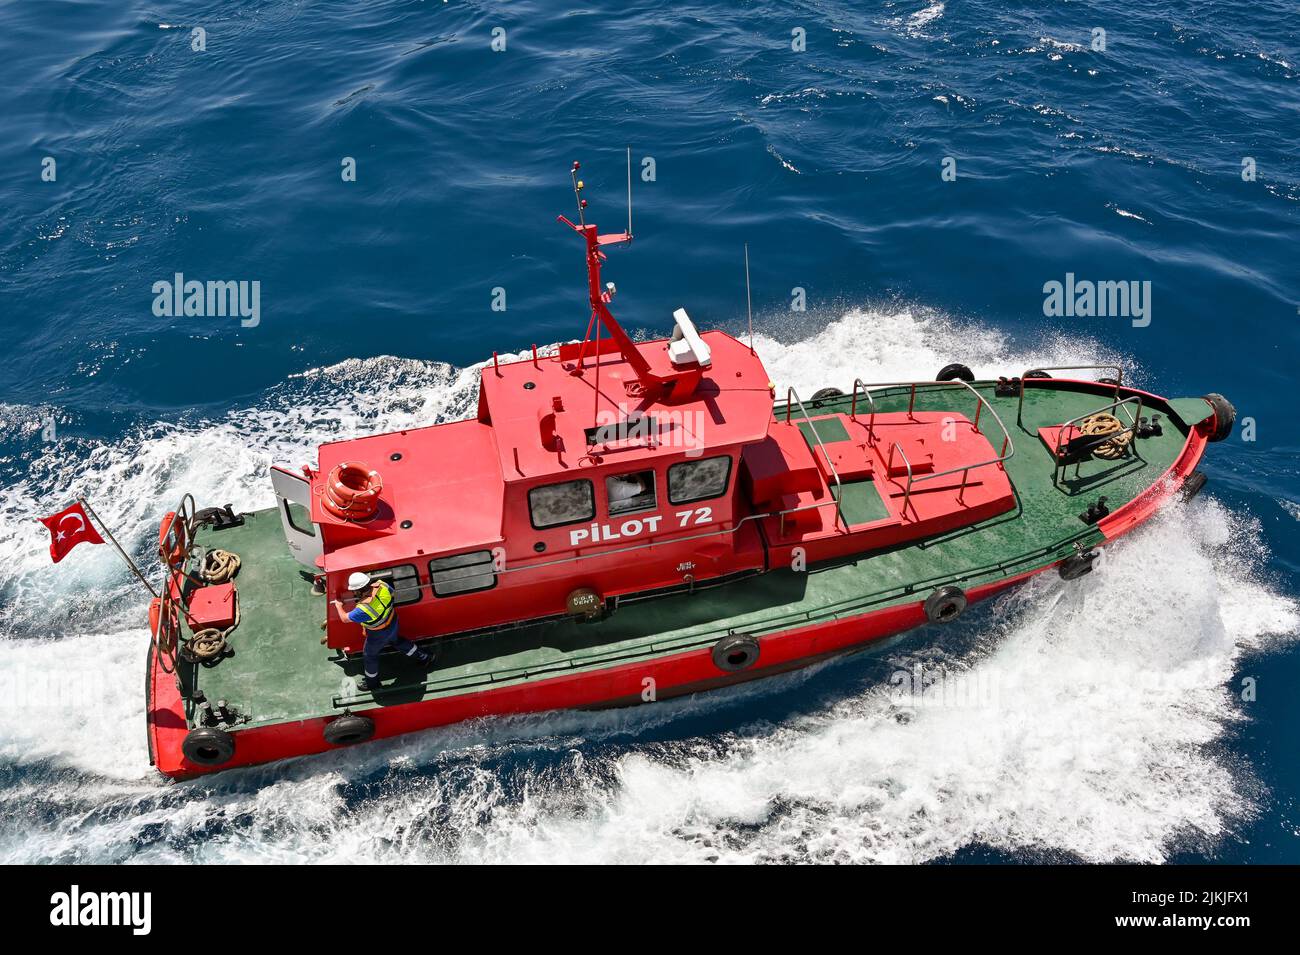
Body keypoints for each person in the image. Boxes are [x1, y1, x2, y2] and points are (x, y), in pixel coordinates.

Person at [333, 571, 431, 692]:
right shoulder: (382, 585)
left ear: (359, 591)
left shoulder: (363, 609)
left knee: (370, 656)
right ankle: (425, 657)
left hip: (378, 634)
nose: (353, 593)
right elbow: (392, 593)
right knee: (397, 641)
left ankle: (372, 683)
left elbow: (344, 618)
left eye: (354, 591)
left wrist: (338, 605)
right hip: (392, 621)